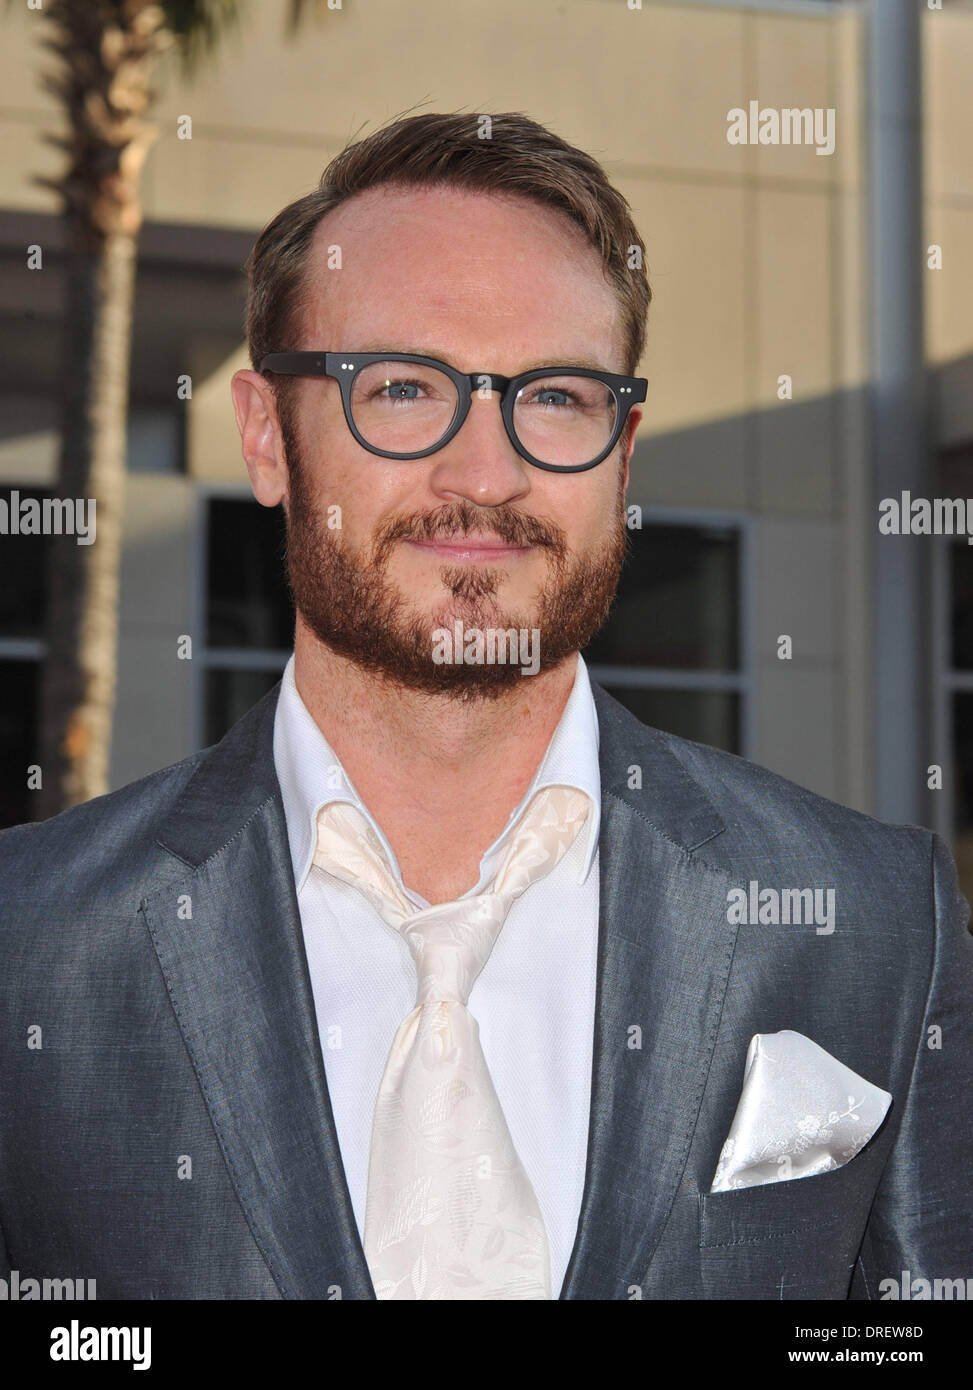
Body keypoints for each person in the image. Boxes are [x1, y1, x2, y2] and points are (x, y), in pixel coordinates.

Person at [1, 112, 971, 1301]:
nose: (484, 473)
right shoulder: (27, 944)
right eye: (402, 387)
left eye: (556, 396)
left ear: (623, 454)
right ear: (266, 437)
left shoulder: (870, 920)